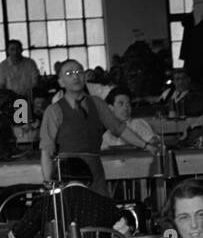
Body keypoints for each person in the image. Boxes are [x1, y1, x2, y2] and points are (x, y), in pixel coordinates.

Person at [39, 59, 150, 190]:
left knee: (100, 208)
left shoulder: (97, 103)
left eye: (79, 72)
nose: (75, 76)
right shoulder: (54, 110)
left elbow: (119, 128)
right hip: (66, 174)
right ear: (61, 82)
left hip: (95, 171)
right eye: (69, 74)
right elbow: (46, 150)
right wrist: (49, 183)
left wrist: (146, 145)